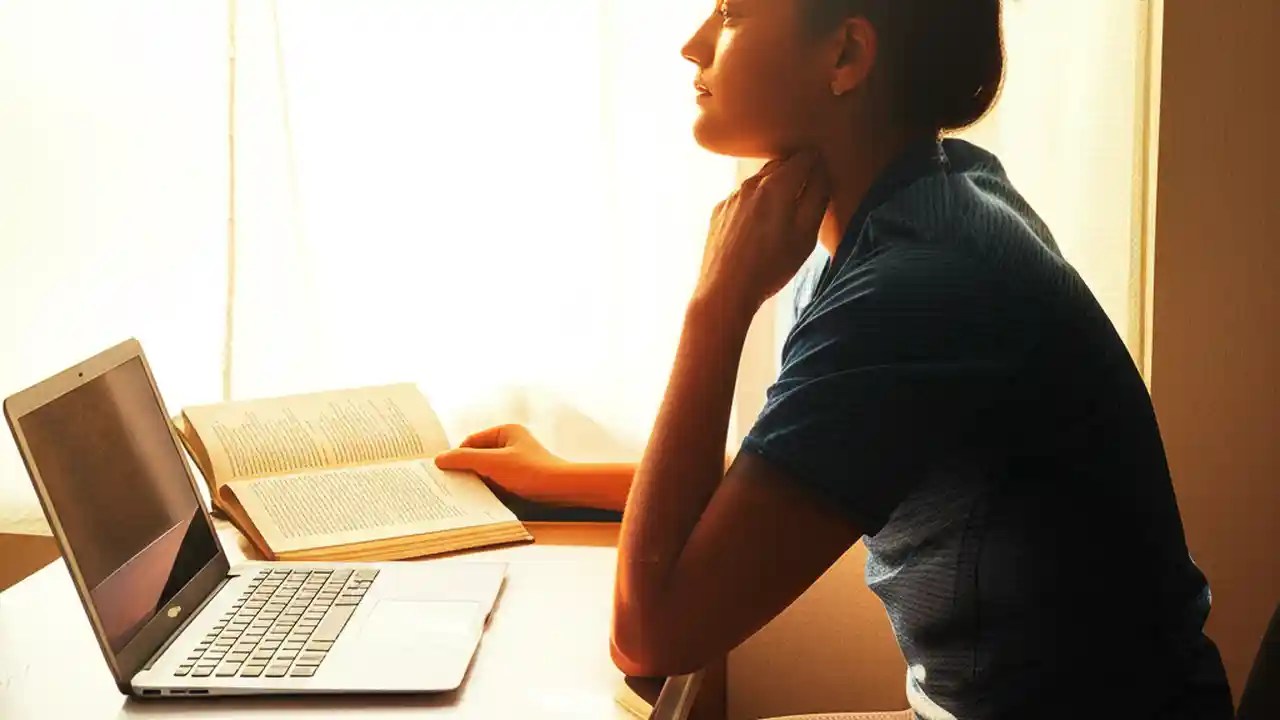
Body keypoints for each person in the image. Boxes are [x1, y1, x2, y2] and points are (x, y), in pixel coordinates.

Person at [434, 1, 1235, 717]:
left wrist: (716, 306)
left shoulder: (915, 288)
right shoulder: (933, 200)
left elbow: (651, 635)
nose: (693, 44)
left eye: (732, 12)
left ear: (846, 55)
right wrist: (557, 477)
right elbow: (783, 470)